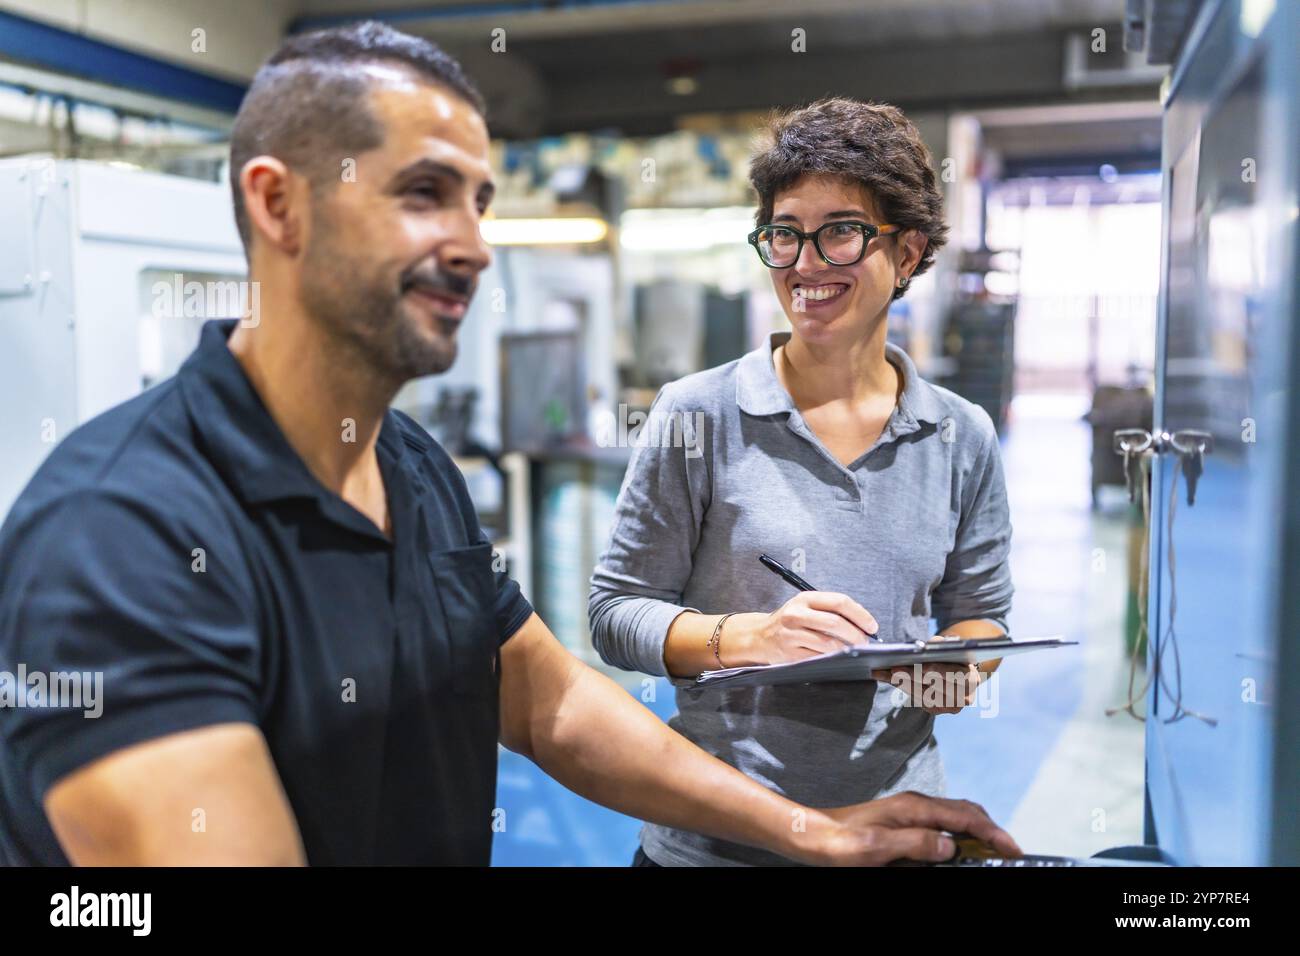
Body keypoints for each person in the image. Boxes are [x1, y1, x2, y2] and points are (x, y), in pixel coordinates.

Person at [0, 25, 1019, 866]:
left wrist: (813, 830)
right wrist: (731, 641)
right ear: (278, 204)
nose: (478, 243)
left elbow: (548, 701)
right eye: (424, 193)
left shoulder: (410, 471)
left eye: (479, 202)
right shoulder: (115, 534)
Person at [589, 98, 1015, 867]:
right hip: (717, 840)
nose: (806, 264)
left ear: (909, 252)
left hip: (895, 830)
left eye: (840, 233)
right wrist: (753, 637)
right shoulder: (698, 413)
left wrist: (958, 667)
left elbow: (981, 617)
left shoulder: (962, 435)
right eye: (785, 234)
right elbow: (616, 613)